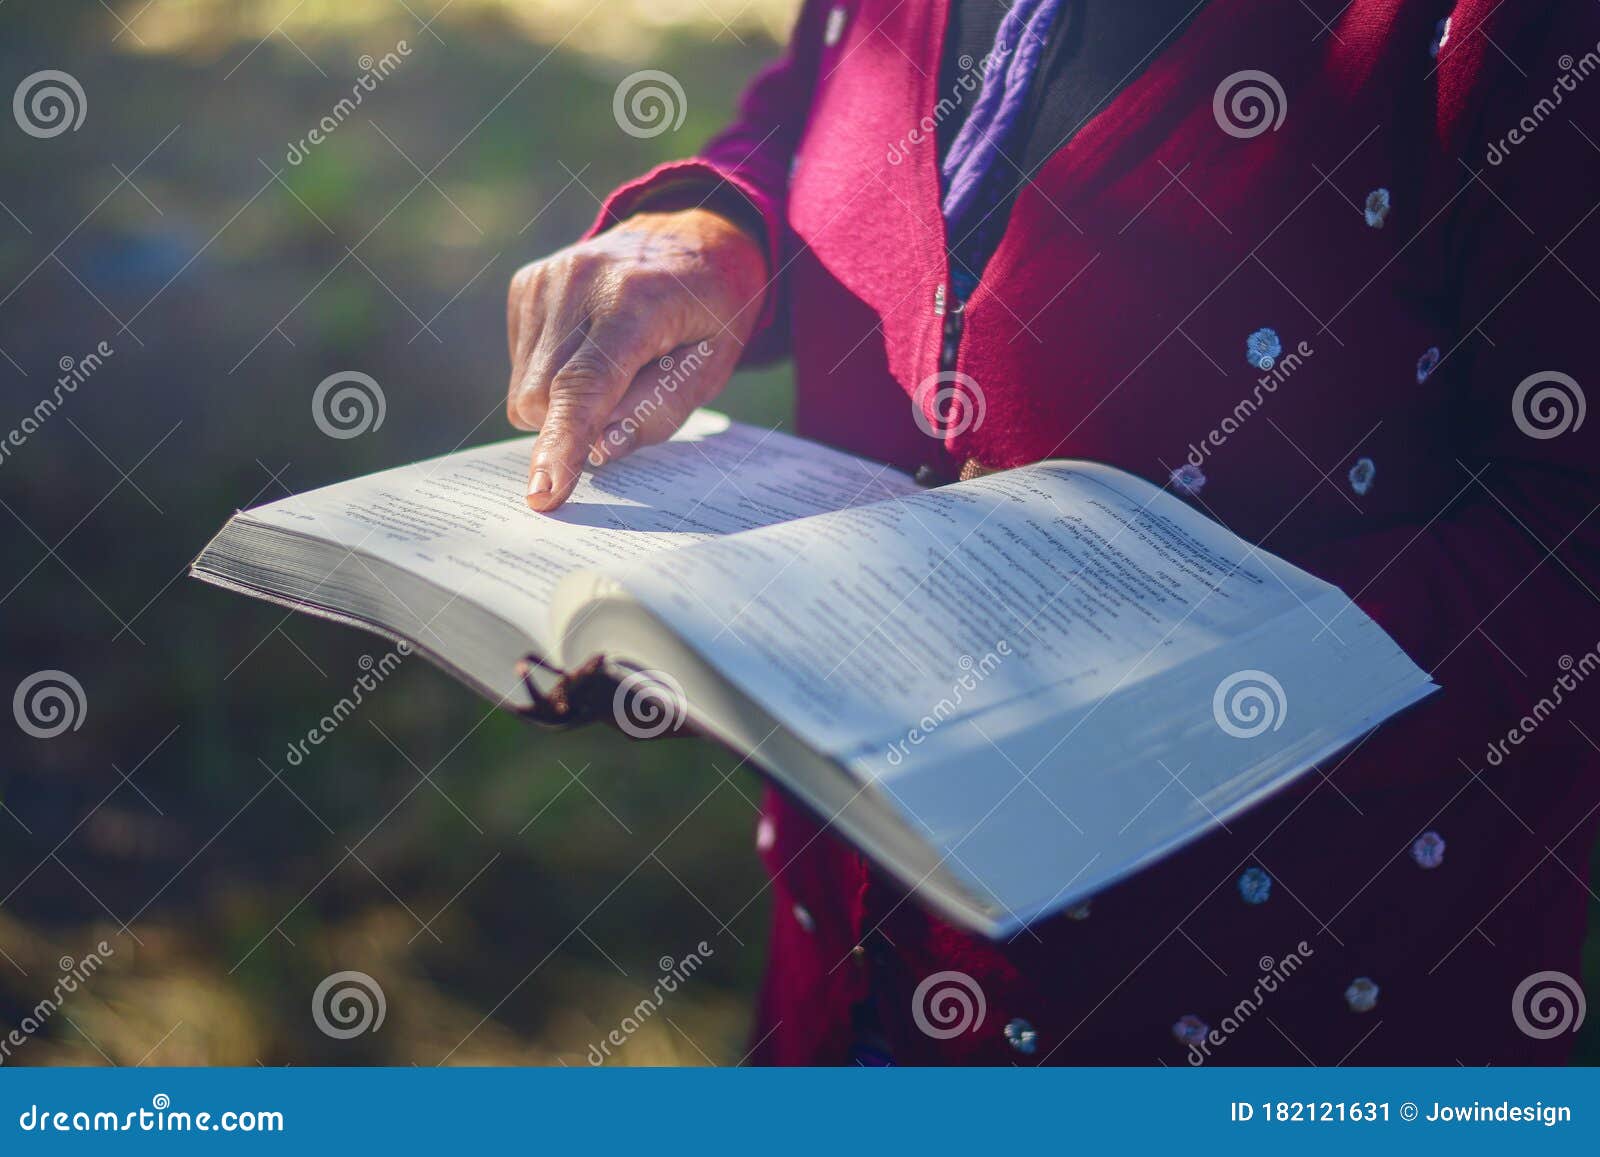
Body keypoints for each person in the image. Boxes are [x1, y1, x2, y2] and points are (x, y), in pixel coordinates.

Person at [504, 0, 1600, 1064]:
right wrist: (715, 227)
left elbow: (1567, 553)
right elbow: (820, 105)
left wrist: (1144, 657)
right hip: (842, 981)